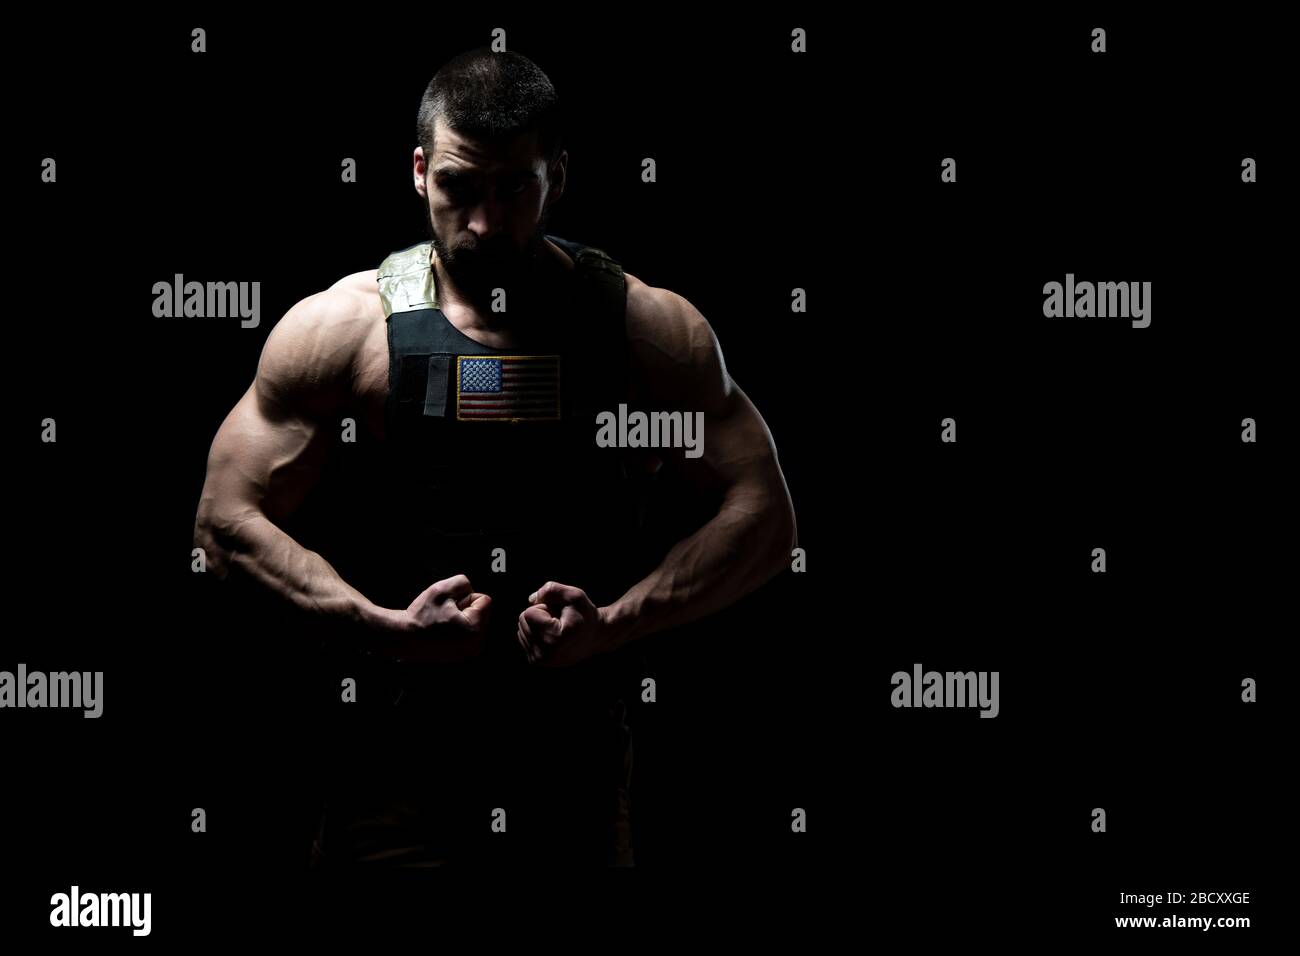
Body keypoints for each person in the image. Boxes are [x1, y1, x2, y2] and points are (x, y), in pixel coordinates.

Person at [192, 46, 797, 867]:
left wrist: (615, 625)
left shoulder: (644, 332)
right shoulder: (342, 332)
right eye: (458, 187)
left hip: (571, 773)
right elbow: (222, 524)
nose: (484, 221)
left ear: (558, 175)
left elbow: (766, 520)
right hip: (392, 770)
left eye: (515, 187)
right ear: (417, 172)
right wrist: (385, 627)